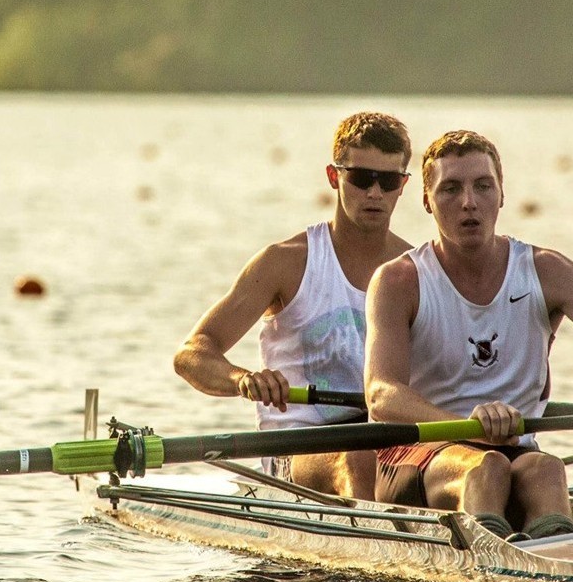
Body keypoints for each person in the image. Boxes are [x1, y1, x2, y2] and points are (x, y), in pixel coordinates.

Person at [363, 129, 573, 539]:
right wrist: (465, 426)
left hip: (516, 453)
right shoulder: (399, 280)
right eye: (450, 189)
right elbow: (381, 394)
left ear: (502, 194)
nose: (469, 202)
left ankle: (554, 567)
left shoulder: (548, 272)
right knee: (487, 467)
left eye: (483, 186)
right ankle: (505, 560)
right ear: (426, 201)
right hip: (416, 455)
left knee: (546, 468)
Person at [173, 111, 415, 498]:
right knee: (359, 457)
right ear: (334, 177)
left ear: (402, 185)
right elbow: (191, 354)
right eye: (360, 178)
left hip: (390, 443)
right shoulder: (285, 263)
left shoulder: (416, 270)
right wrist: (243, 379)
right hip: (295, 452)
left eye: (387, 181)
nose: (374, 193)